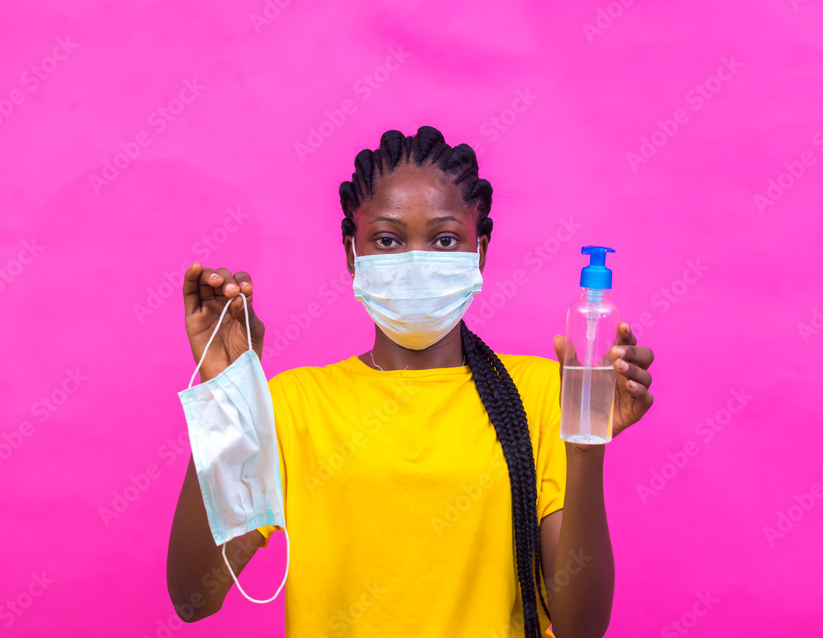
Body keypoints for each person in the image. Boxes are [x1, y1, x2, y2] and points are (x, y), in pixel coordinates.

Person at [166, 126, 655, 638]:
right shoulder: (292, 405)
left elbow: (582, 628)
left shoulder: (541, 395)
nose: (416, 259)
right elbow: (193, 595)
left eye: (444, 239)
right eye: (388, 239)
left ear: (479, 252)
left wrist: (586, 442)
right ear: (353, 255)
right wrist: (227, 397)